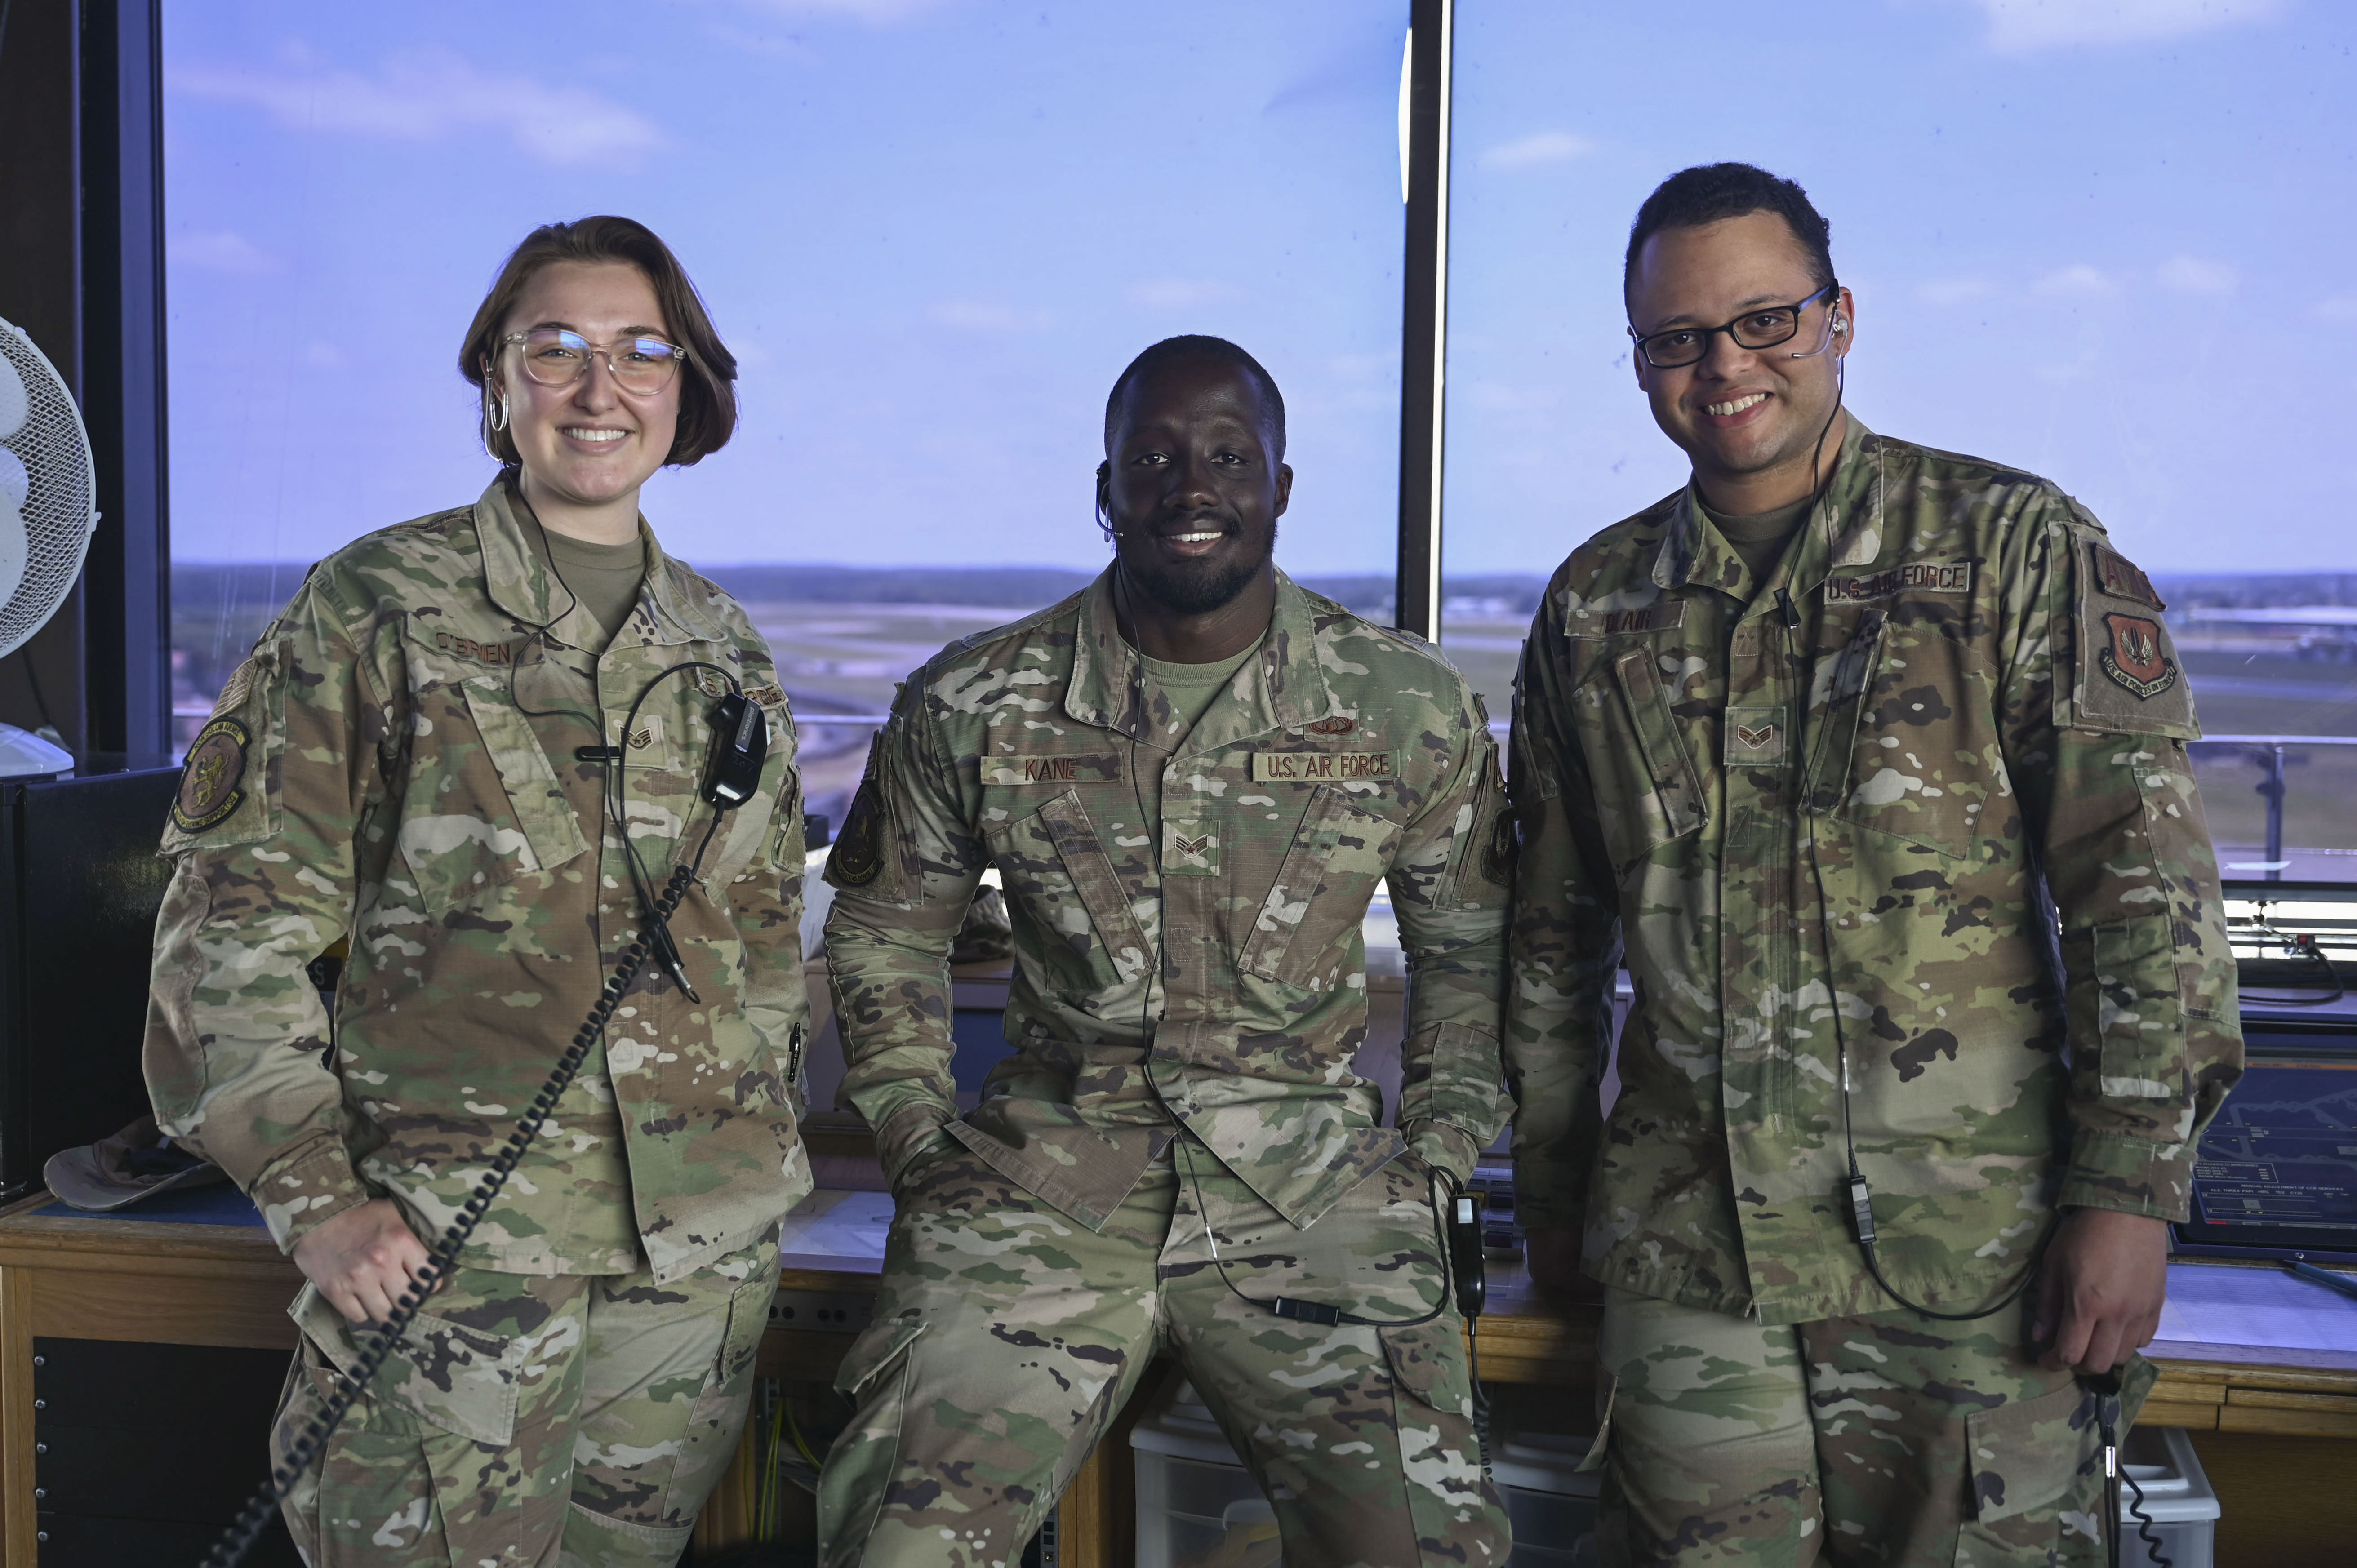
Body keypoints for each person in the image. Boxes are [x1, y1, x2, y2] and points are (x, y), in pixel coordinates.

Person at [1505, 163, 2243, 1565]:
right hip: (1689, 1256)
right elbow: (1551, 934)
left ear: (1840, 319)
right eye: (1676, 338)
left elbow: (2139, 893)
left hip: (1971, 1258)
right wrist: (1553, 1203)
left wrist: (2131, 1190)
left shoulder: (2009, 545)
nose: (1723, 364)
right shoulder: (1595, 605)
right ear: (1641, 362)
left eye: (1764, 319)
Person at [143, 215, 813, 1566]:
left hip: (688, 1273)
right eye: (552, 348)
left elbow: (759, 949)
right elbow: (231, 924)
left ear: (685, 388)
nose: (596, 385)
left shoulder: (723, 645)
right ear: (496, 384)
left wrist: (751, 1175)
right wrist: (316, 1196)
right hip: (453, 1269)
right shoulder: (379, 605)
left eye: (639, 351)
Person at [814, 336, 1512, 1568]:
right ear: (1106, 489)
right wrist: (921, 1146)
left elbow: (1472, 953)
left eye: (1228, 457)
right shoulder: (974, 700)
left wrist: (1438, 1162)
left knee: (1427, 1549)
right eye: (1154, 458)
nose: (1192, 486)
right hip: (1044, 1187)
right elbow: (882, 931)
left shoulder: (1401, 702)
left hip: (1314, 1194)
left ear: (1279, 486)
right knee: (897, 1547)